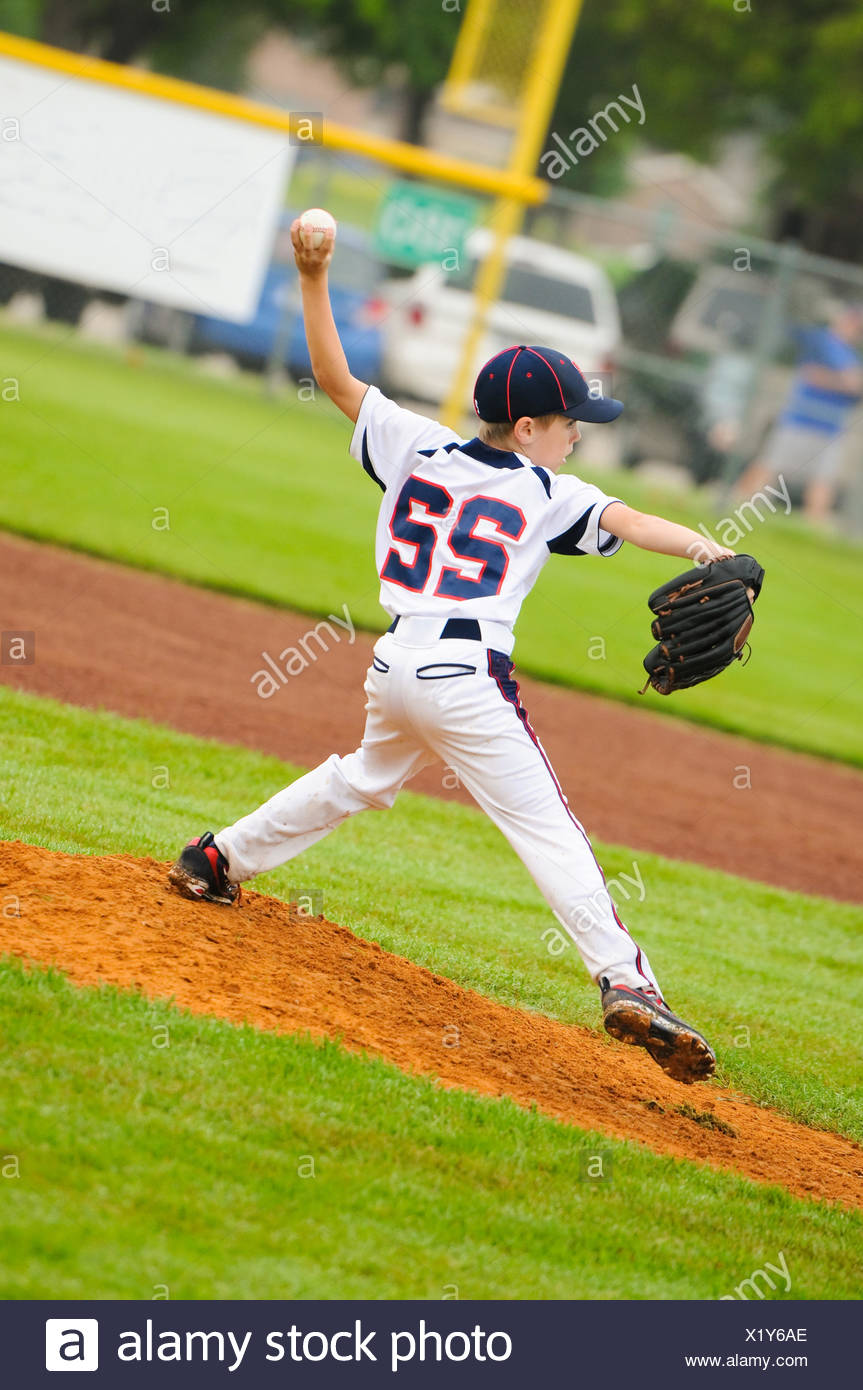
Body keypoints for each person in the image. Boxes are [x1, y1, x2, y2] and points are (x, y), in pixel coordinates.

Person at [168, 219, 735, 1085]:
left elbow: (331, 377)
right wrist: (714, 553)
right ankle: (627, 982)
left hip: (393, 666)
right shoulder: (548, 489)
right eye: (570, 421)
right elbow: (631, 521)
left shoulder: (415, 443)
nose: (578, 433)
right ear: (530, 425)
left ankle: (218, 859)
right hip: (469, 676)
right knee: (547, 827)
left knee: (362, 776)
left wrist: (312, 275)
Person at [736, 302, 863, 523]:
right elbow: (821, 377)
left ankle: (815, 529)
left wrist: (843, 382)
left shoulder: (851, 353)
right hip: (801, 420)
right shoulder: (823, 342)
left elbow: (854, 385)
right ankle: (736, 507)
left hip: (830, 427)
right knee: (768, 467)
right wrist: (844, 382)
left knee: (823, 480)